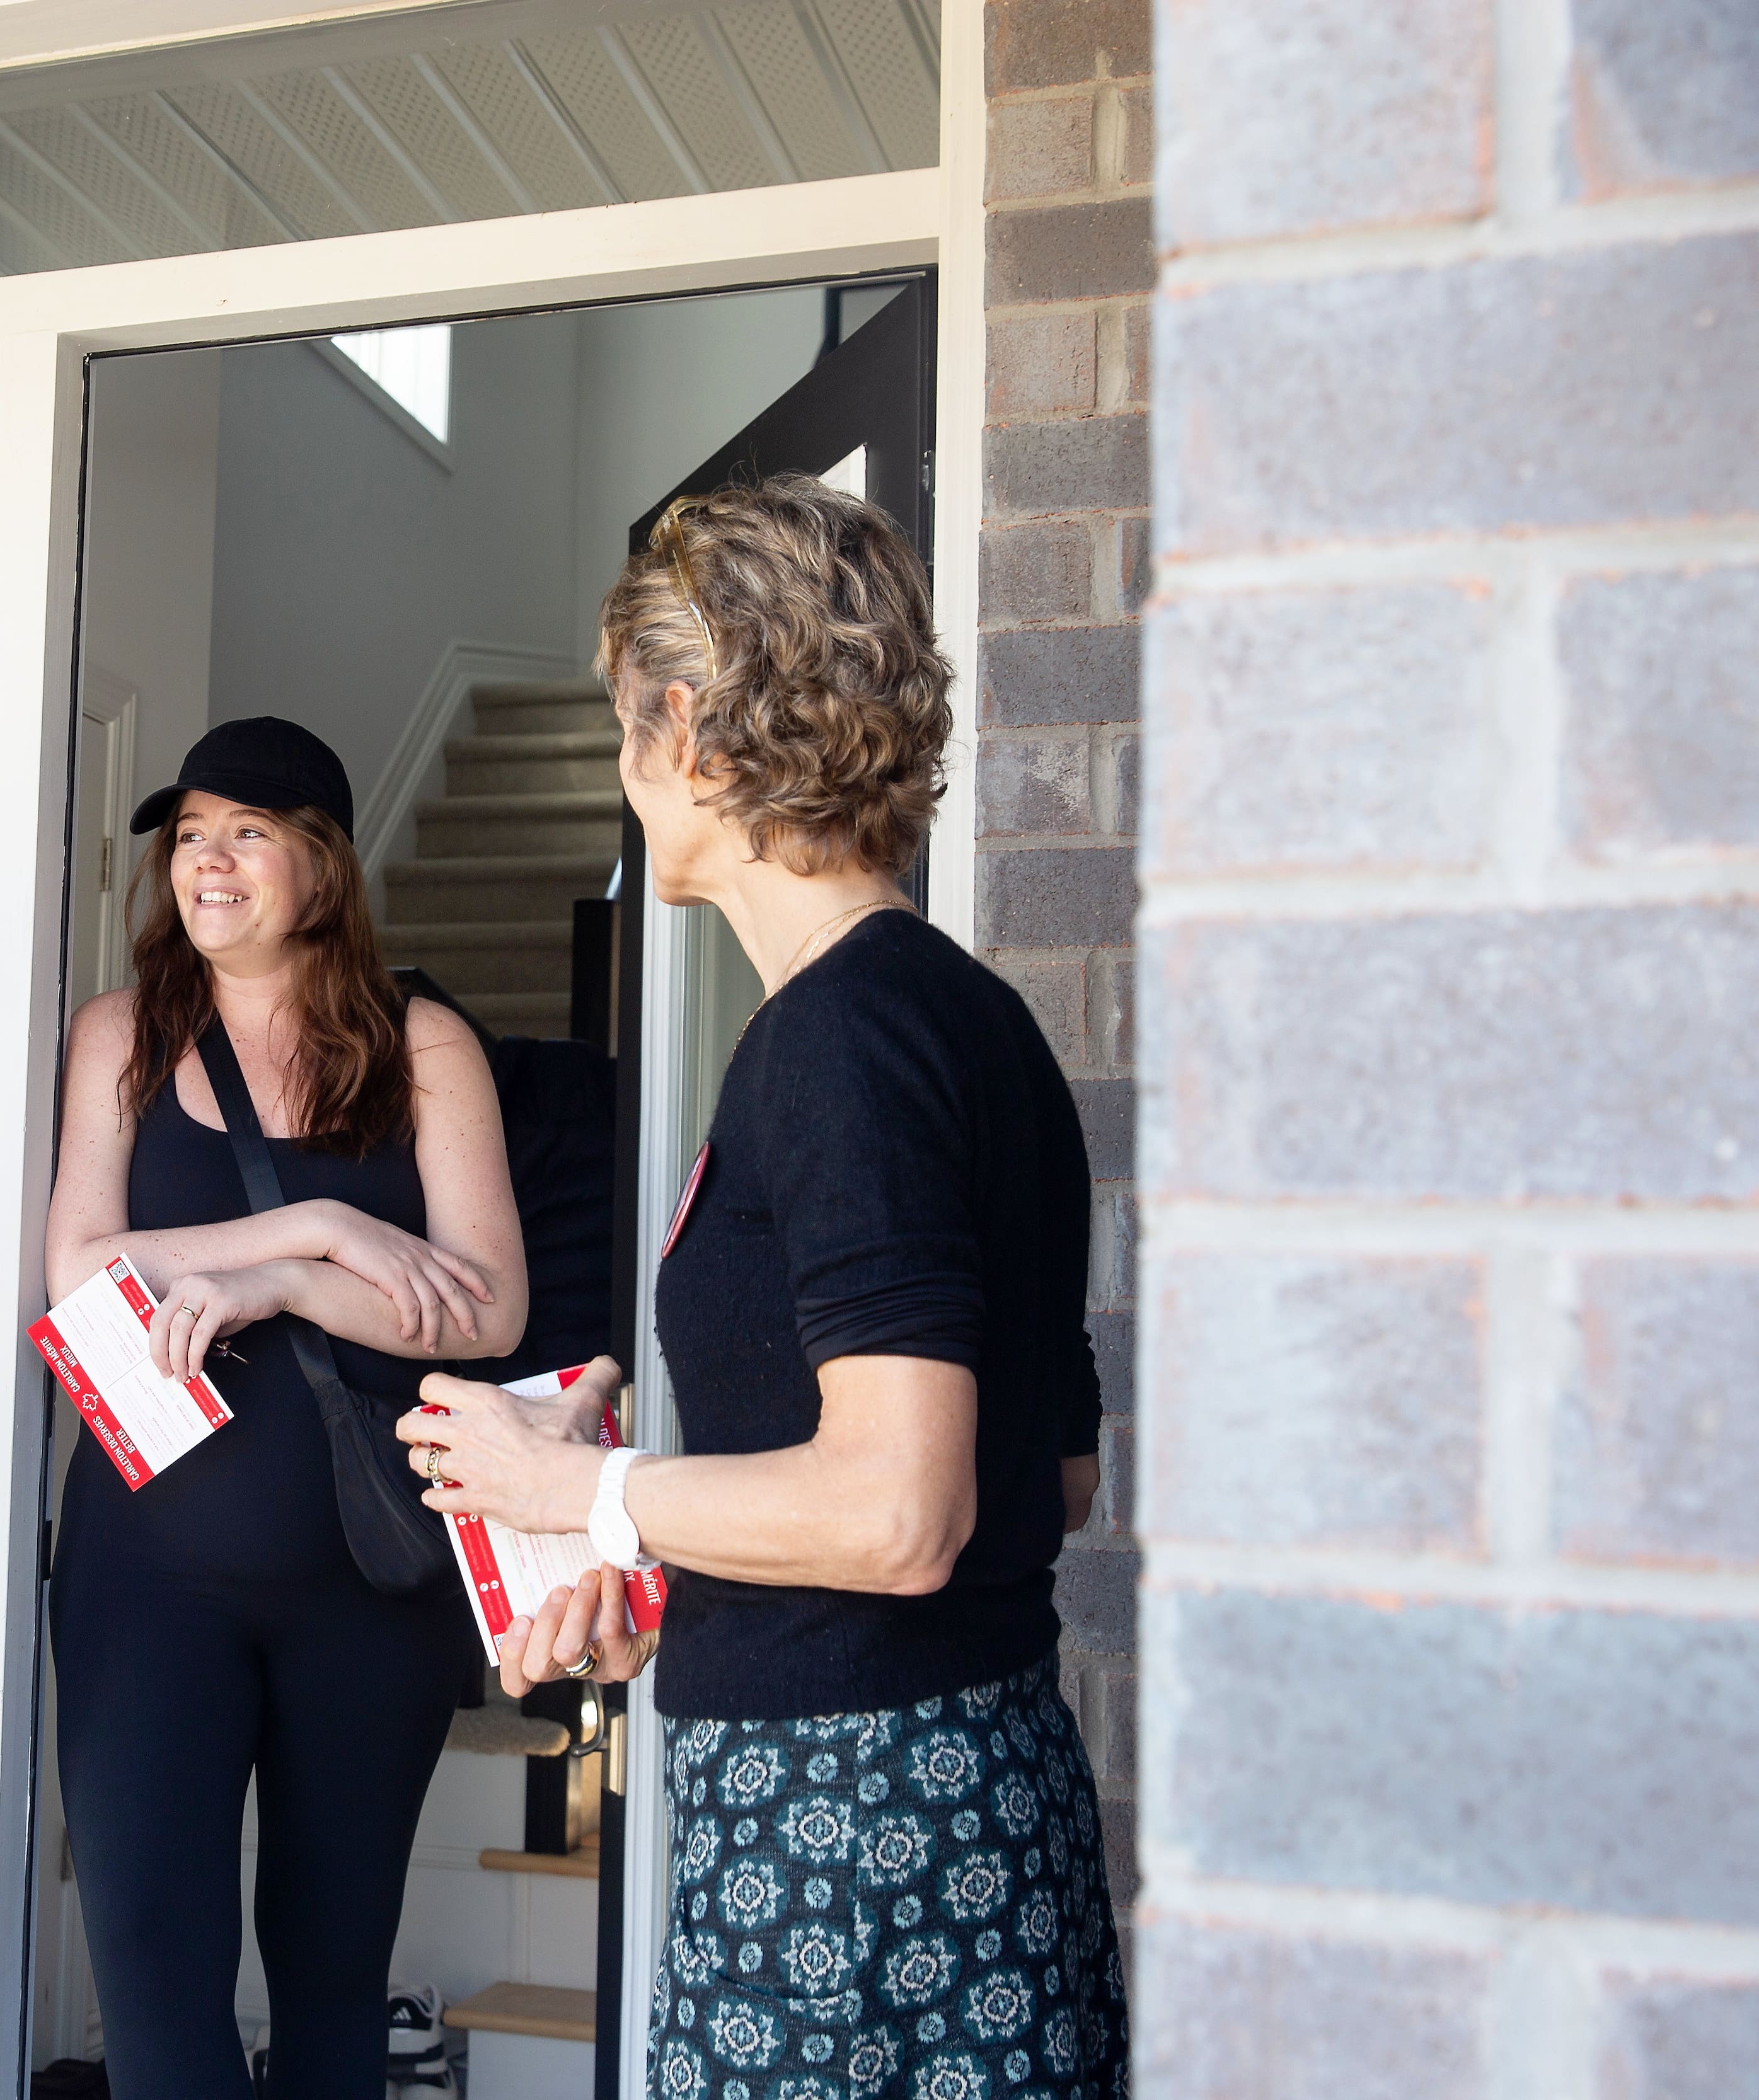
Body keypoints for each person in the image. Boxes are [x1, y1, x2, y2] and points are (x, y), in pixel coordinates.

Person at [400, 478, 1129, 2098]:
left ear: (686, 725)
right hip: (966, 1798)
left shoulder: (837, 1046)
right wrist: (649, 1543)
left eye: (624, 724)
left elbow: (900, 1513)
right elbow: (1051, 1475)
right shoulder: (969, 1020)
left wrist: (580, 1489)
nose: (622, 769)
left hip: (848, 1842)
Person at [42, 715, 531, 2097]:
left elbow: (488, 1310)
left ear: (322, 862)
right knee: (154, 1984)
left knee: (330, 1985)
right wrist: (319, 1225)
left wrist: (292, 1287)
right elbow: (80, 1270)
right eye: (191, 834)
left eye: (246, 833)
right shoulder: (123, 1035)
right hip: (147, 1579)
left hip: (367, 1586)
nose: (207, 860)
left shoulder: (423, 1044)